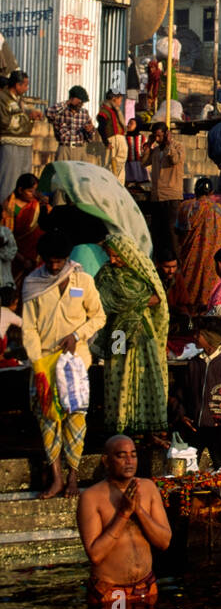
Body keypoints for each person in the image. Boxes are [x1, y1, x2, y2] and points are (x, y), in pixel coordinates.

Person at [21, 230, 106, 498]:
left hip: (77, 363)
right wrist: (38, 364)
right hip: (43, 363)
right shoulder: (32, 282)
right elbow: (29, 329)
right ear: (42, 259)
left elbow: (98, 317)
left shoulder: (83, 280)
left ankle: (72, 476)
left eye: (59, 261)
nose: (55, 266)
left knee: (76, 421)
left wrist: (77, 335)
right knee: (48, 420)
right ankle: (56, 477)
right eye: (50, 261)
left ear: (67, 259)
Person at [77, 434, 171, 609]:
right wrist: (123, 514)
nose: (129, 461)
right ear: (106, 460)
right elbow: (95, 555)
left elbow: (164, 542)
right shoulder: (91, 497)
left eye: (133, 455)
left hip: (147, 586)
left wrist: (139, 511)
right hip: (111, 592)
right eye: (121, 455)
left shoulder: (149, 488)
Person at [96, 234, 169, 438]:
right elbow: (100, 300)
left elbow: (157, 298)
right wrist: (136, 301)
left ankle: (148, 425)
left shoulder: (142, 269)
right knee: (118, 373)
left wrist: (129, 302)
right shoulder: (106, 275)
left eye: (116, 256)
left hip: (143, 331)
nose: (113, 261)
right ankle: (123, 422)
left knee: (146, 372)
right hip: (117, 332)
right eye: (110, 256)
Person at [169, 316, 221, 468]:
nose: (195, 337)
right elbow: (180, 394)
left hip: (219, 429)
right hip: (194, 428)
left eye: (199, 334)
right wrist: (182, 415)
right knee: (189, 468)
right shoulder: (193, 363)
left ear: (209, 339)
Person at [168, 178, 221, 315]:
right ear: (212, 192)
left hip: (191, 261)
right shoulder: (219, 209)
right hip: (212, 266)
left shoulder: (186, 207)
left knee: (187, 294)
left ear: (195, 191)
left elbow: (179, 232)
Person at [141, 125, 184, 259]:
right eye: (156, 136)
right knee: (157, 233)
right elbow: (143, 162)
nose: (158, 139)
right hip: (157, 197)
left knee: (171, 234)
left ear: (166, 134)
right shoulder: (155, 150)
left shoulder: (178, 146)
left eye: (160, 136)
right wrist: (148, 145)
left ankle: (176, 262)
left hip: (171, 196)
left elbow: (175, 160)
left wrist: (169, 143)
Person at [0, 71, 41, 202]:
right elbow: (4, 121)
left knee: (24, 182)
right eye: (26, 85)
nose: (27, 88)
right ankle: (5, 212)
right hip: (10, 144)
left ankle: (20, 213)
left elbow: (22, 113)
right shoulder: (3, 98)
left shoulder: (19, 100)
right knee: (9, 181)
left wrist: (32, 114)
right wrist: (26, 118)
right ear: (17, 85)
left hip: (25, 144)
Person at [2, 172, 46, 286]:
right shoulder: (7, 207)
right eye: (30, 191)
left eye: (35, 191)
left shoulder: (36, 205)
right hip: (14, 255)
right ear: (20, 190)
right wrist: (21, 259)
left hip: (33, 252)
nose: (33, 194)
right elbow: (5, 238)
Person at [46, 86, 97, 164]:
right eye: (79, 102)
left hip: (80, 149)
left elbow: (90, 138)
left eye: (82, 102)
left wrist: (89, 131)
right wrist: (67, 102)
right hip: (64, 149)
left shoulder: (84, 113)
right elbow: (48, 113)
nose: (81, 105)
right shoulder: (61, 112)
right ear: (72, 99)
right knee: (62, 175)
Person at [96, 89, 128, 183]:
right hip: (112, 139)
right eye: (119, 99)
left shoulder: (115, 110)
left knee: (120, 164)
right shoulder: (105, 110)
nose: (120, 102)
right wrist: (106, 142)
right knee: (110, 162)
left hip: (120, 138)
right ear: (114, 98)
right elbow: (101, 128)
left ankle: (119, 185)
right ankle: (110, 182)